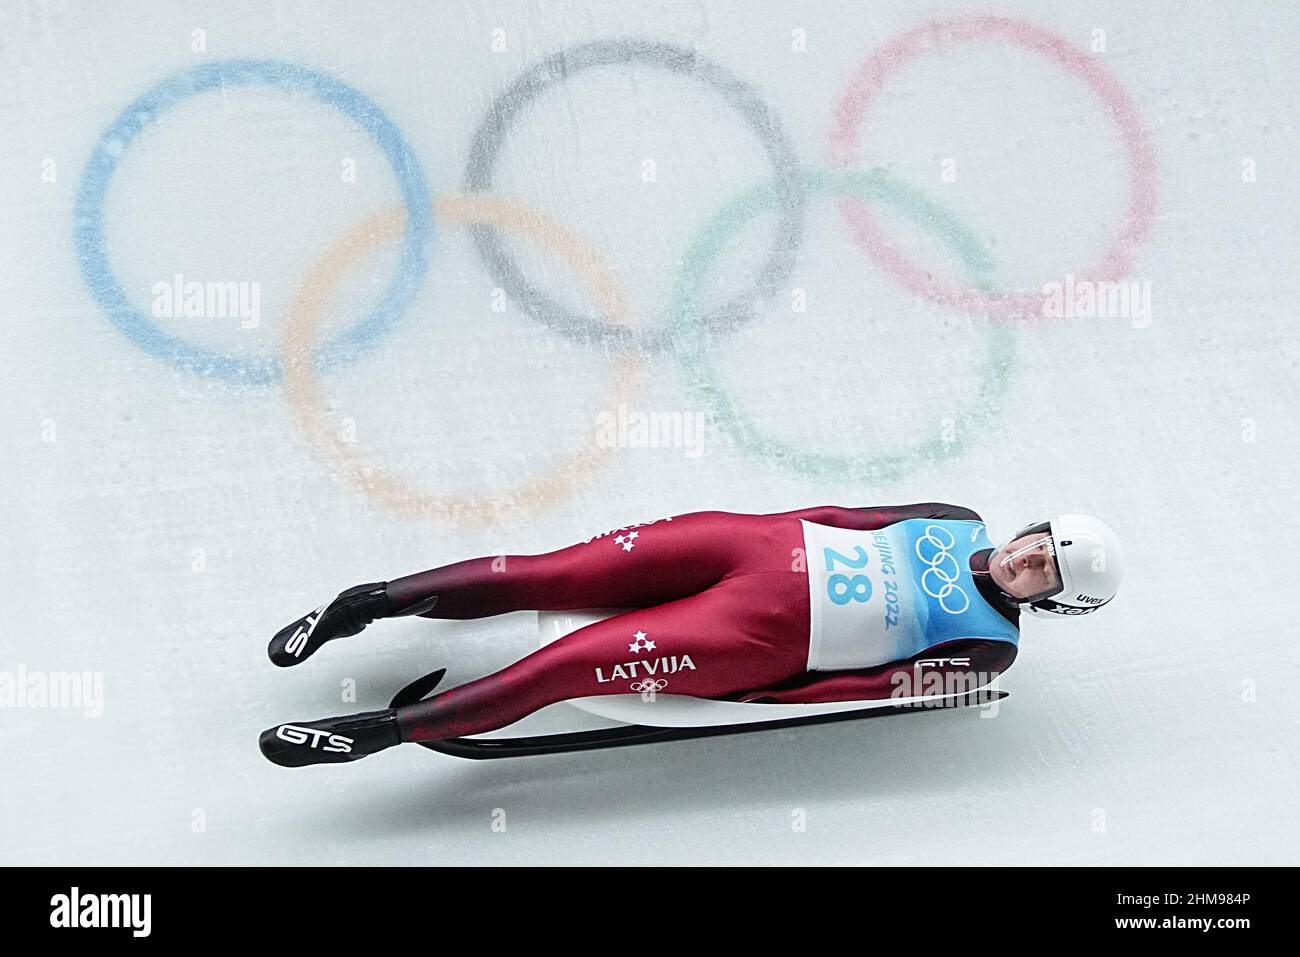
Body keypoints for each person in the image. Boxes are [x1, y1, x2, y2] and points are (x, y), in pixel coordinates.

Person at [259, 503, 1124, 767]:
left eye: (1045, 570)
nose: (1025, 559)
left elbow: (872, 689)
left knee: (563, 667)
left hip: (759, 633)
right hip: (747, 542)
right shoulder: (953, 515)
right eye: (1037, 542)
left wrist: (767, 693)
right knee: (545, 571)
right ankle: (361, 603)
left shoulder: (988, 650)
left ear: (1052, 599)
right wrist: (756, 523)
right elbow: (838, 511)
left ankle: (376, 732)